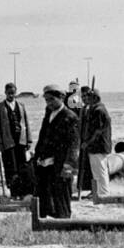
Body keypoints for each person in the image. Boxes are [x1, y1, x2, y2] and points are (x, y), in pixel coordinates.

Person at [31, 84, 79, 218]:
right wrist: (37, 155)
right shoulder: (48, 114)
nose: (49, 103)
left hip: (61, 163)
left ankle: (63, 221)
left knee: (61, 196)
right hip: (45, 163)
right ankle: (45, 222)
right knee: (44, 194)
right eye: (46, 100)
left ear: (62, 98)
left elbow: (74, 145)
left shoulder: (70, 117)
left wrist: (68, 166)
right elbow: (42, 136)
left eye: (52, 99)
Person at [0, 82, 33, 198]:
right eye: (9, 93)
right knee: (11, 168)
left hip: (21, 141)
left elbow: (26, 122)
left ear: (16, 93)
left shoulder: (21, 105)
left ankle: (23, 192)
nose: (11, 95)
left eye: (13, 93)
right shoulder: (0, 107)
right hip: (8, 142)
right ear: (5, 93)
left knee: (22, 167)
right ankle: (13, 192)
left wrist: (29, 140)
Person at [79, 86, 113, 200]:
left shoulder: (99, 110)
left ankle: (103, 193)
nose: (88, 99)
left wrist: (87, 142)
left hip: (98, 145)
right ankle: (98, 191)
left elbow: (97, 131)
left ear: (95, 98)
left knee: (100, 169)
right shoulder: (95, 109)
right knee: (96, 171)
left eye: (90, 97)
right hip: (96, 146)